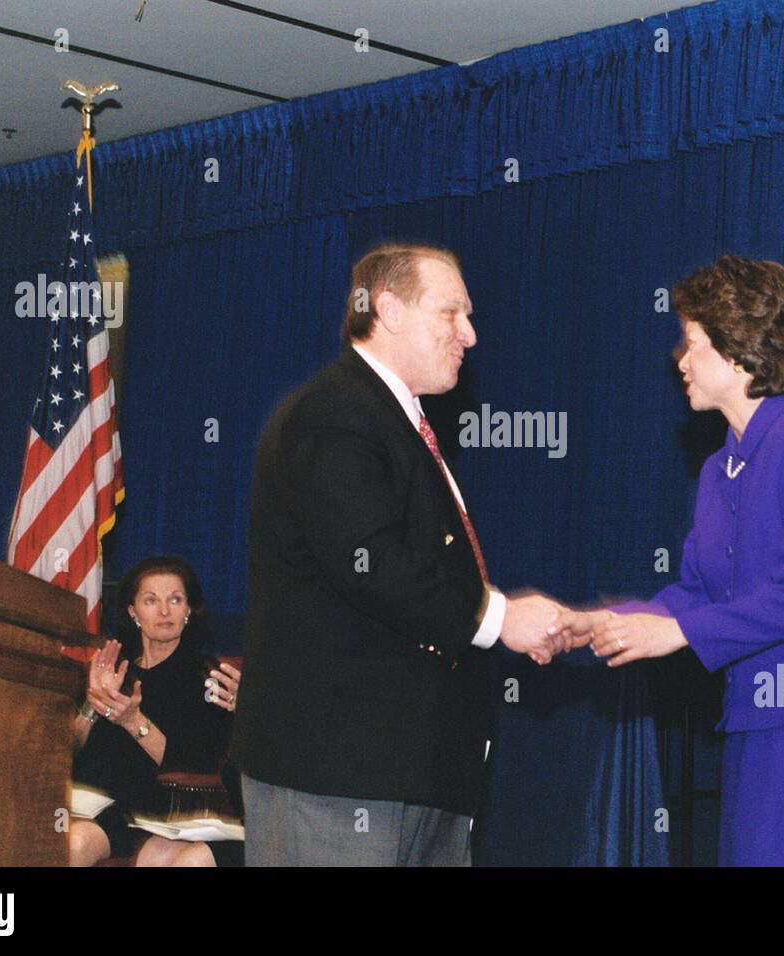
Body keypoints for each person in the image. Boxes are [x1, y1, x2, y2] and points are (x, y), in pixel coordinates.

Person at [551, 254, 784, 865]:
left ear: (741, 351)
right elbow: (699, 591)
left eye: (691, 343)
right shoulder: (720, 467)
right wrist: (612, 622)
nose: (679, 361)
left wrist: (677, 632)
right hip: (757, 714)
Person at [232, 242, 570, 866]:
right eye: (452, 314)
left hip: (415, 769)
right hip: (339, 774)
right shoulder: (331, 412)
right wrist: (499, 619)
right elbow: (371, 562)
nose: (469, 334)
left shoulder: (393, 420)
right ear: (387, 309)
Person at [69, 556, 244, 867]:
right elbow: (68, 749)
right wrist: (93, 704)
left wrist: (133, 721)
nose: (164, 611)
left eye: (175, 599)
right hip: (89, 800)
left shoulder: (208, 677)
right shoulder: (114, 670)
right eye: (151, 601)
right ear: (133, 612)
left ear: (188, 610)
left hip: (149, 813)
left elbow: (196, 762)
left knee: (77, 840)